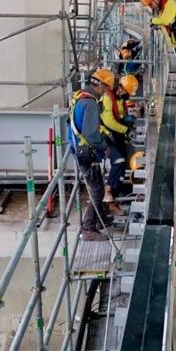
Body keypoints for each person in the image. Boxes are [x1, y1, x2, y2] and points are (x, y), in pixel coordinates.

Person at [68, 71, 111, 241]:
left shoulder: (79, 97)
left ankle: (99, 219)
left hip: (78, 147)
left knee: (97, 184)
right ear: (101, 85)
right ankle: (89, 227)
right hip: (86, 151)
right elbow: (91, 134)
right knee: (97, 189)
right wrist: (104, 145)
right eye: (106, 89)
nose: (105, 92)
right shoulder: (90, 103)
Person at [139, 0, 176, 110]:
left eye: (150, 4)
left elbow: (166, 20)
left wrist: (153, 21)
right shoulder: (166, 3)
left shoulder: (170, 2)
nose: (151, 7)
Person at [98, 71, 138, 215]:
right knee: (119, 161)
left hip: (116, 135)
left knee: (121, 167)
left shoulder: (119, 99)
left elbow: (119, 116)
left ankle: (115, 196)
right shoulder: (107, 98)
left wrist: (128, 121)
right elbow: (109, 121)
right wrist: (125, 129)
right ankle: (109, 196)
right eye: (126, 93)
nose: (127, 97)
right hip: (106, 135)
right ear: (120, 88)